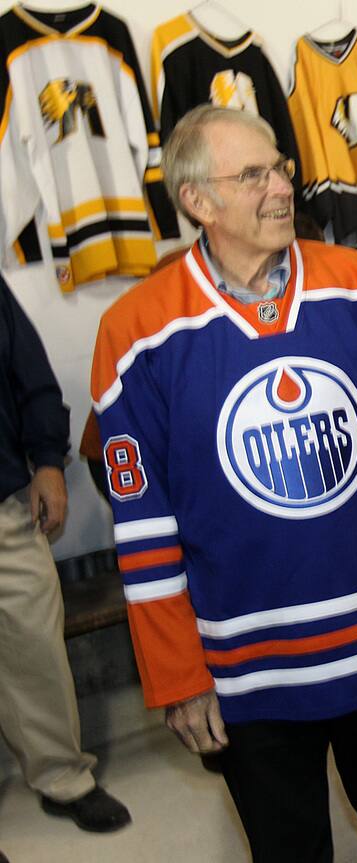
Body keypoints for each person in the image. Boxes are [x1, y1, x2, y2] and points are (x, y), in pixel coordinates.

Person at [90, 105, 357, 862]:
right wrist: (179, 675)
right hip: (247, 675)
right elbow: (144, 531)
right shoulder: (135, 331)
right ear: (197, 203)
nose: (282, 186)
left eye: (280, 167)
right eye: (253, 175)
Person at [0, 277, 131, 834]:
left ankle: (62, 778)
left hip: (3, 504)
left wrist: (49, 462)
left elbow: (30, 376)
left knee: (36, 650)